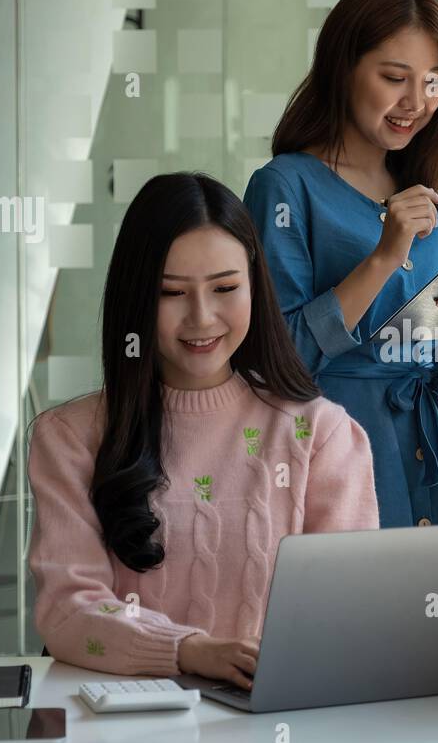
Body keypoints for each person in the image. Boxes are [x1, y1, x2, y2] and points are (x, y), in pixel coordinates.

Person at [27, 172, 378, 686]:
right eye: (172, 293)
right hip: (121, 737)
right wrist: (189, 650)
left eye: (225, 288)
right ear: (137, 297)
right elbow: (68, 612)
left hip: (272, 732)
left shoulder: (321, 435)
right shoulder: (70, 438)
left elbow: (352, 611)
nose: (202, 316)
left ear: (255, 286)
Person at [244, 0, 438, 531]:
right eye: (394, 77)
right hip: (340, 468)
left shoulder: (432, 198)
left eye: (433, 83)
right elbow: (279, 360)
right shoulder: (284, 188)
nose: (414, 103)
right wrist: (383, 257)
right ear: (342, 69)